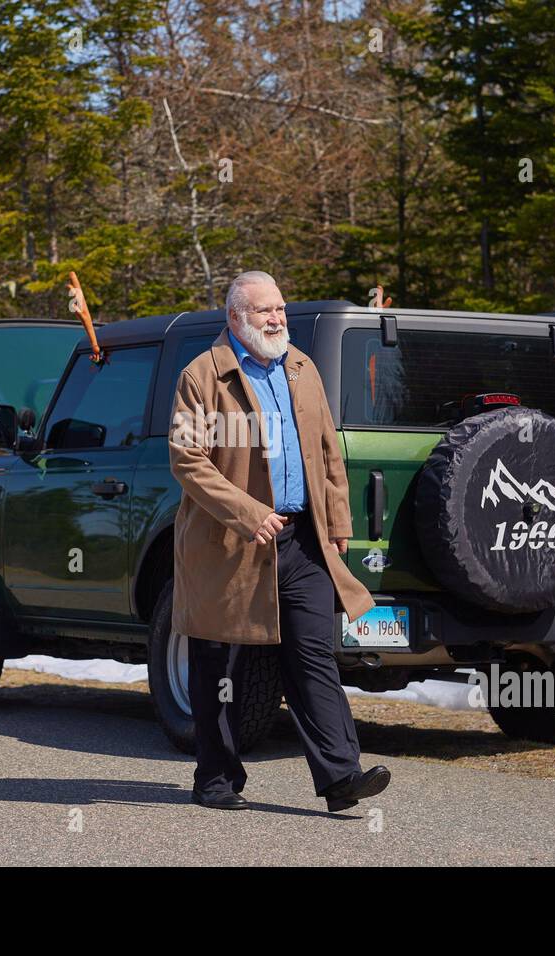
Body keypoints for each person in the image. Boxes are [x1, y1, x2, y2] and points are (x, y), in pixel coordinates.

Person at [168, 270, 392, 813]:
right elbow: (187, 460)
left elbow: (326, 450)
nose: (276, 319)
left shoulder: (301, 367)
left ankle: (341, 778)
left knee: (313, 654)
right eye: (264, 311)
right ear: (234, 319)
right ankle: (216, 778)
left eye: (281, 309)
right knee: (219, 664)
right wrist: (248, 513)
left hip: (301, 543)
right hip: (229, 546)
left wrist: (338, 523)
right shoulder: (201, 376)